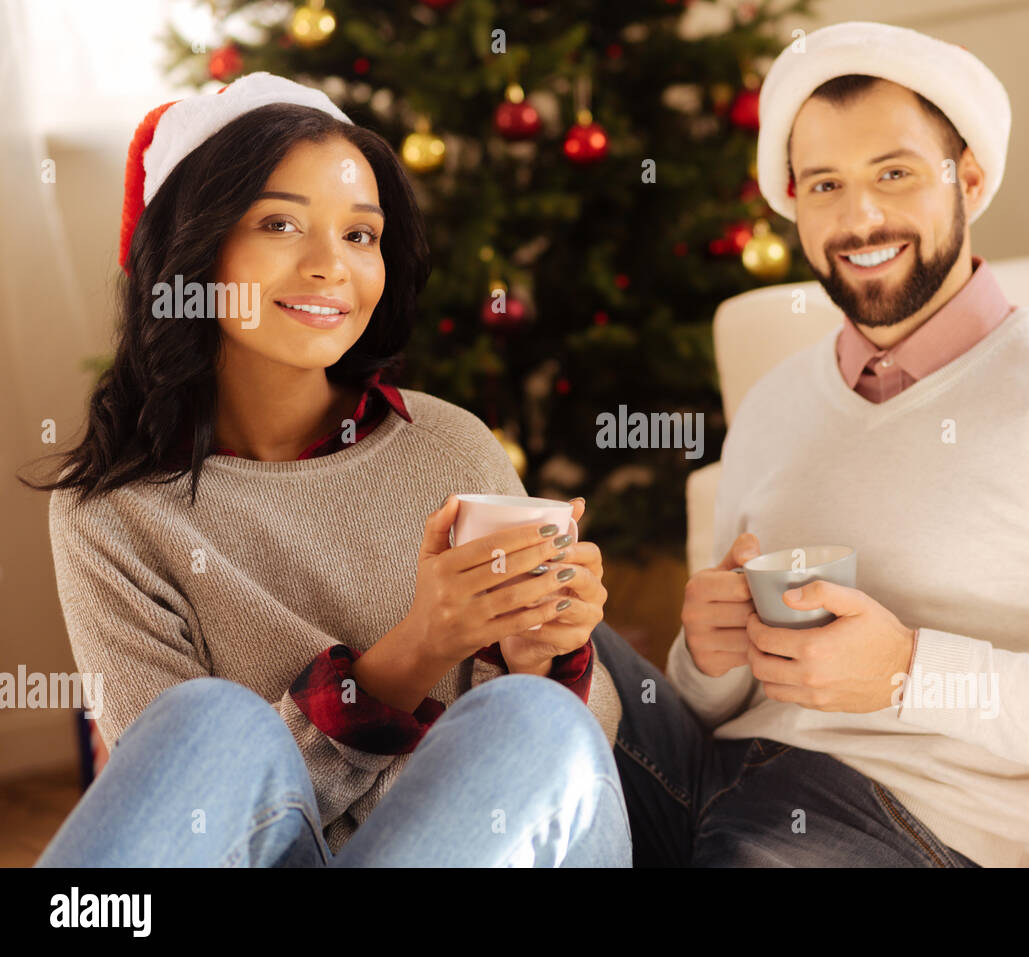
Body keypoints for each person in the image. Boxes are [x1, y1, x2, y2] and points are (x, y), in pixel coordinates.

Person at [591, 20, 1029, 867]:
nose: (859, 216)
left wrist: (912, 670)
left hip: (891, 823)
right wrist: (708, 658)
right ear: (794, 201)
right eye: (826, 183)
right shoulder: (775, 403)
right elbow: (714, 698)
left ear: (969, 178)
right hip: (704, 771)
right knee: (524, 659)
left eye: (895, 173)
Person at [22, 73, 630, 867]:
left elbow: (568, 763)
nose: (330, 266)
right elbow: (187, 810)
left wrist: (542, 657)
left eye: (361, 235)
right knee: (209, 722)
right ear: (194, 248)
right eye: (281, 223)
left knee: (535, 717)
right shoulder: (109, 513)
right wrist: (412, 653)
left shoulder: (451, 446)